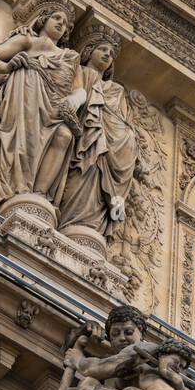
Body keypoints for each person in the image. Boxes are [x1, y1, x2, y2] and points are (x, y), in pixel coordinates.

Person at [0, 0, 84, 208]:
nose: (61, 25)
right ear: (43, 19)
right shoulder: (26, 41)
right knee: (27, 140)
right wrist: (7, 67)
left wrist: (74, 101)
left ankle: (39, 194)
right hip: (26, 98)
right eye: (57, 19)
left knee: (64, 135)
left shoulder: (71, 57)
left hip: (55, 105)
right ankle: (19, 189)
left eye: (65, 24)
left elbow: (80, 90)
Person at [58, 25, 138, 239]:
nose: (107, 55)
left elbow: (122, 121)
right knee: (84, 174)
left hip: (112, 149)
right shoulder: (81, 73)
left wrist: (127, 141)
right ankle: (72, 222)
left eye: (111, 54)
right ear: (88, 51)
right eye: (102, 49)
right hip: (85, 142)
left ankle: (88, 227)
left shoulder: (117, 90)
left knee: (97, 185)